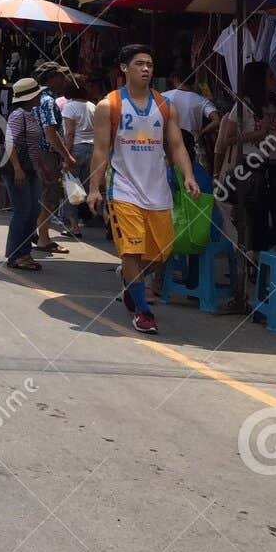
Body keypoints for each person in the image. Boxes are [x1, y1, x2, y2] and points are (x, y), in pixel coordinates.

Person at [88, 43, 198, 336]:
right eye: (139, 64)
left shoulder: (164, 106)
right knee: (131, 250)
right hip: (123, 189)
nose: (146, 69)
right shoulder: (108, 106)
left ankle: (129, 281)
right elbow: (100, 151)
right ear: (124, 68)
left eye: (149, 64)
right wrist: (94, 188)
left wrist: (188, 174)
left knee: (161, 251)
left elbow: (176, 145)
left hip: (158, 190)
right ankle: (143, 311)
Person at [215, 60, 276, 272]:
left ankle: (262, 259)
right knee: (256, 217)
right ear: (260, 80)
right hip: (252, 167)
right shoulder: (243, 106)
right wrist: (259, 133)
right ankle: (253, 264)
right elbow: (229, 139)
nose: (275, 80)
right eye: (270, 76)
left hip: (275, 167)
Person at [31, 62, 77, 254]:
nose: (64, 81)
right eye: (61, 77)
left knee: (42, 195)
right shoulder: (48, 100)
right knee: (50, 196)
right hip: (45, 154)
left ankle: (37, 232)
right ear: (52, 79)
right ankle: (43, 238)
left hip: (35, 152)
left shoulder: (36, 97)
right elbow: (50, 131)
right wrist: (66, 155)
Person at [0, 78, 44, 273]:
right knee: (22, 211)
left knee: (33, 211)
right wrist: (17, 168)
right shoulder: (18, 115)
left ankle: (24, 252)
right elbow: (9, 143)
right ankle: (16, 254)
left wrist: (42, 167)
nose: (41, 96)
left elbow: (34, 145)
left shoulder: (31, 114)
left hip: (32, 169)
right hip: (19, 170)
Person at [60, 76, 98, 234]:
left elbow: (69, 133)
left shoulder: (70, 107)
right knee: (89, 187)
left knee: (72, 188)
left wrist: (66, 155)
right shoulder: (92, 106)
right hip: (92, 148)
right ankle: (104, 219)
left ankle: (74, 226)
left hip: (75, 148)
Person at [164, 66, 219, 168]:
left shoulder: (163, 97)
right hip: (193, 148)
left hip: (168, 148)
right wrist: (202, 133)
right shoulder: (201, 100)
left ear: (175, 79)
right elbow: (216, 120)